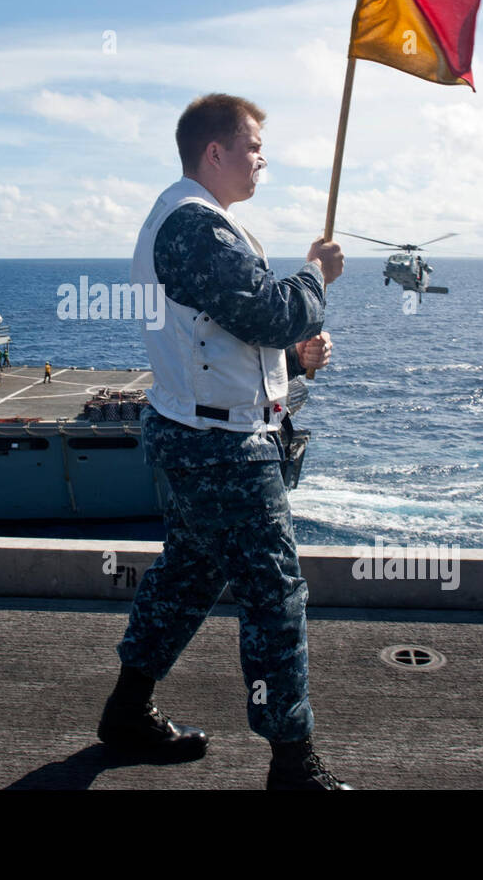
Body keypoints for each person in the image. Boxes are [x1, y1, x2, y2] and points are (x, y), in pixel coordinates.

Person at [97, 92, 350, 791]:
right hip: (223, 449)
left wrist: (293, 362)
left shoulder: (186, 223)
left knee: (190, 574)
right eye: (254, 146)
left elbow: (221, 337)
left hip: (196, 429)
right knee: (276, 595)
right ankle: (293, 767)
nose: (263, 159)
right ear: (215, 152)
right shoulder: (194, 228)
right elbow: (269, 309)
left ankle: (125, 711)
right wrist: (314, 275)